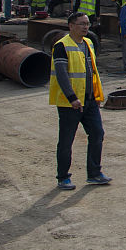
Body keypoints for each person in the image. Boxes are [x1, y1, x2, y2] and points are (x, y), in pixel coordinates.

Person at [48, 12, 111, 190]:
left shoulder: (89, 43)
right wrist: (72, 98)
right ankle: (63, 177)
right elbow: (61, 75)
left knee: (97, 134)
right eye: (81, 24)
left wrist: (96, 95)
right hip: (70, 103)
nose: (85, 27)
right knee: (66, 141)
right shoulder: (61, 46)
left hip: (89, 101)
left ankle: (94, 173)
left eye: (87, 24)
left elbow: (91, 72)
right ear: (71, 26)